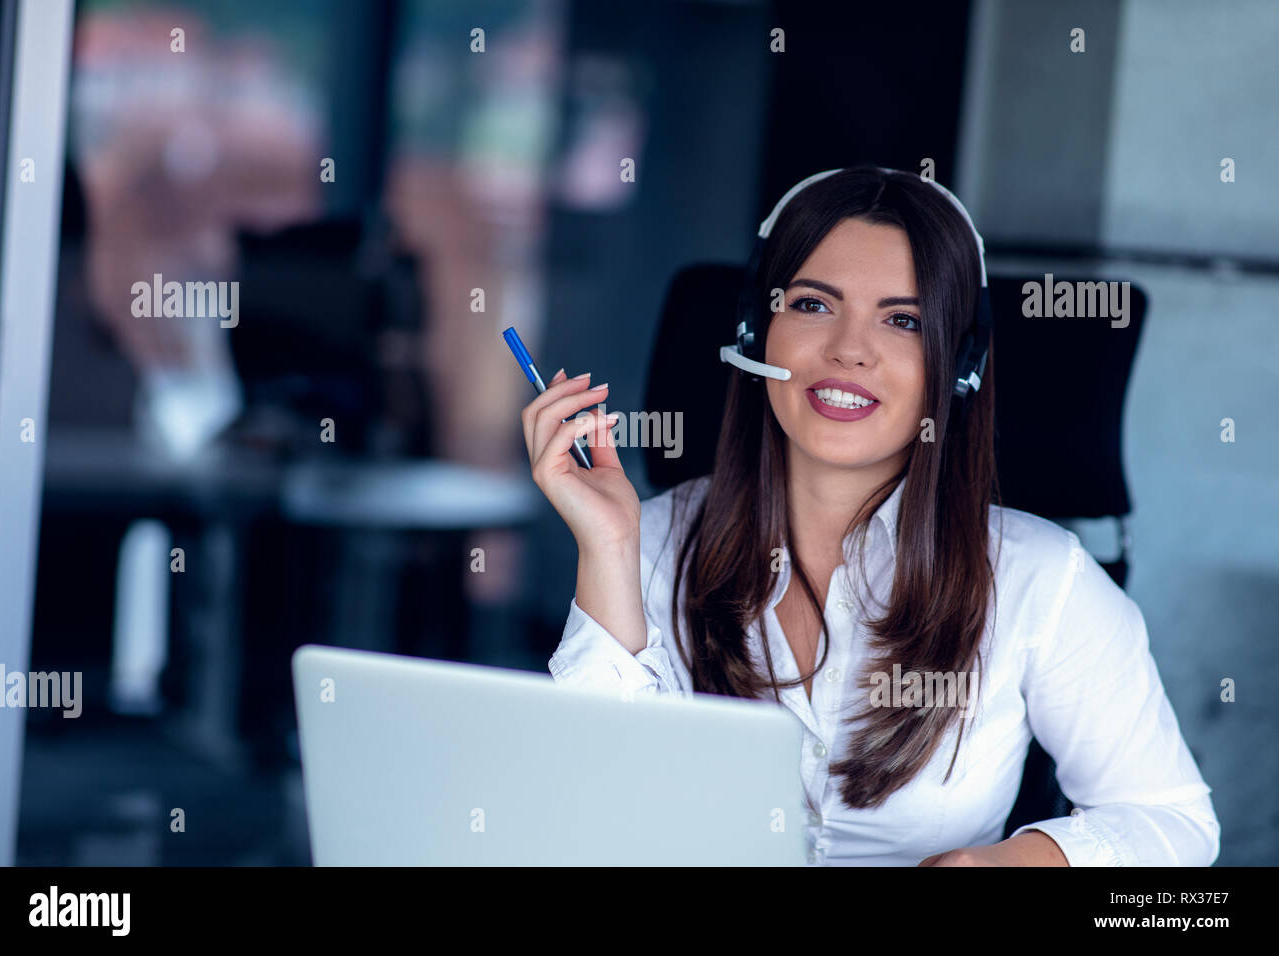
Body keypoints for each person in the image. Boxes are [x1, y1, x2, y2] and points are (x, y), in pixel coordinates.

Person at [519, 165, 1219, 866]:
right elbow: (595, 813)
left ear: (960, 363)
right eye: (814, 305)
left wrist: (1005, 864)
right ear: (756, 329)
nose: (850, 349)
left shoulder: (1043, 580)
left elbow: (1171, 824)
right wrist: (610, 547)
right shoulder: (649, 543)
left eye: (903, 320)